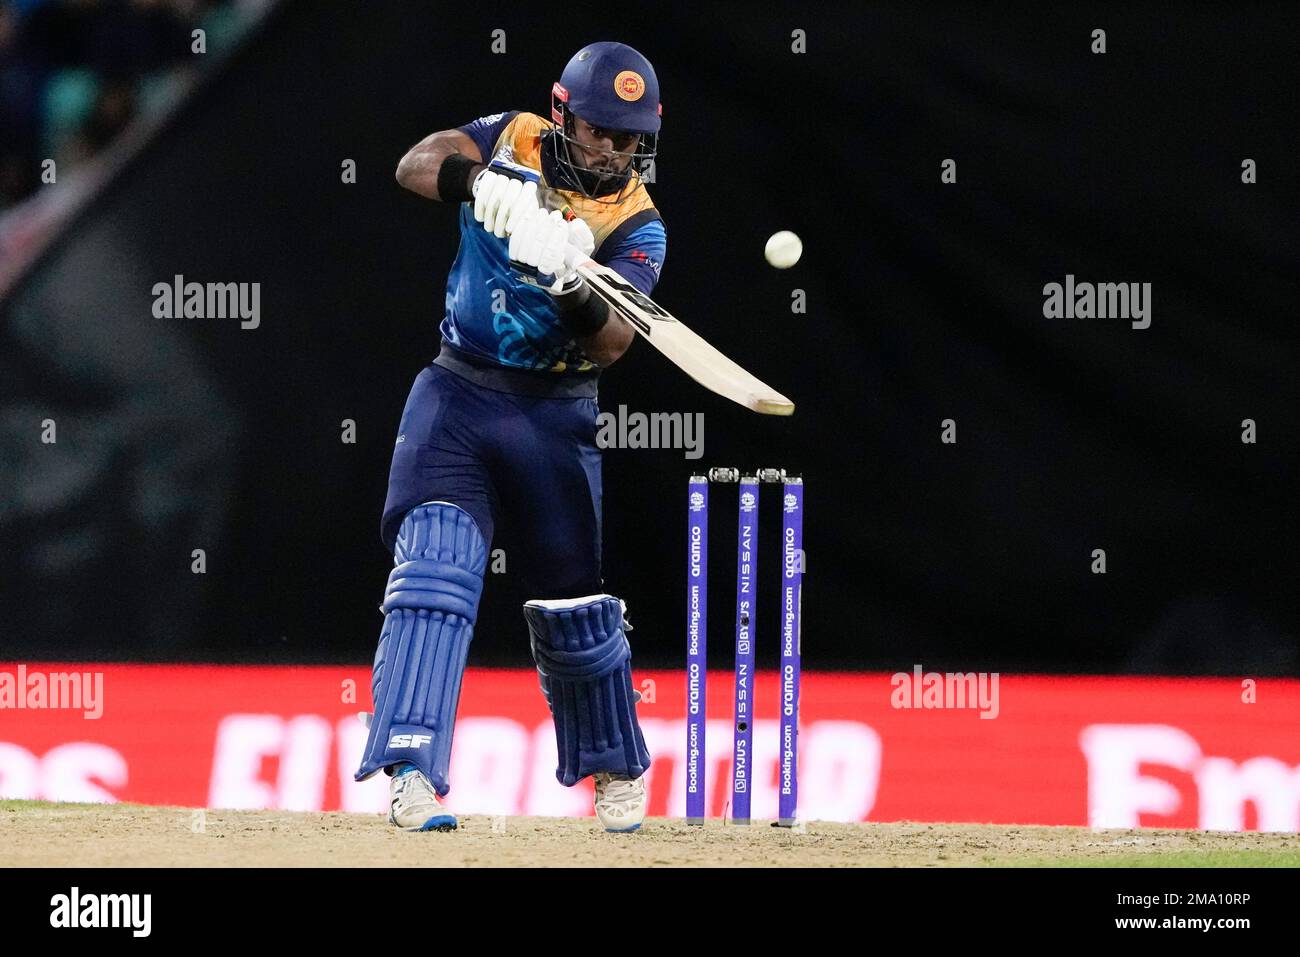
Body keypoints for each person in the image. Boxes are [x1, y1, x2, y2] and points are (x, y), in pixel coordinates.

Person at [354, 41, 667, 833]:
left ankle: (613, 765)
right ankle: (410, 771)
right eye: (598, 130)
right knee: (432, 570)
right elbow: (413, 164)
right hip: (456, 391)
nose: (611, 149)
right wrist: (479, 181)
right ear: (564, 114)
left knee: (573, 609)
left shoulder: (639, 226)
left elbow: (613, 344)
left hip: (554, 416)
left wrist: (569, 284)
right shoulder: (513, 136)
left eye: (627, 138)